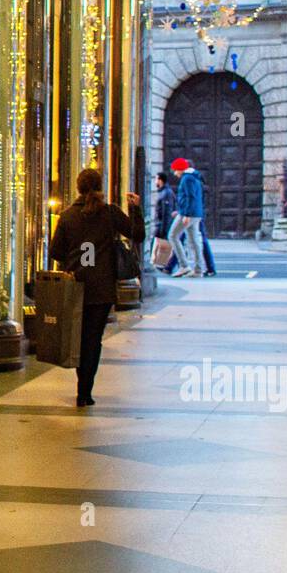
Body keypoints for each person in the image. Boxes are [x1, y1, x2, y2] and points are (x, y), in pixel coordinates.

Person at [49, 167, 145, 407]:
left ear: (78, 189)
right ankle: (85, 391)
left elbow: (55, 252)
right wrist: (135, 208)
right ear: (100, 187)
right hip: (101, 289)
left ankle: (81, 384)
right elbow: (137, 234)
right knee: (93, 339)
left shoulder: (68, 216)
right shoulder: (110, 213)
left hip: (76, 286)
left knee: (78, 337)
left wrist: (73, 260)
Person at [167, 157, 206, 277]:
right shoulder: (194, 177)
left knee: (172, 236)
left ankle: (184, 265)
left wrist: (186, 213)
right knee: (194, 241)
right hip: (196, 213)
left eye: (175, 170)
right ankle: (198, 269)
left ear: (180, 169)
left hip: (188, 214)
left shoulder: (187, 179)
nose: (175, 173)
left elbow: (190, 197)